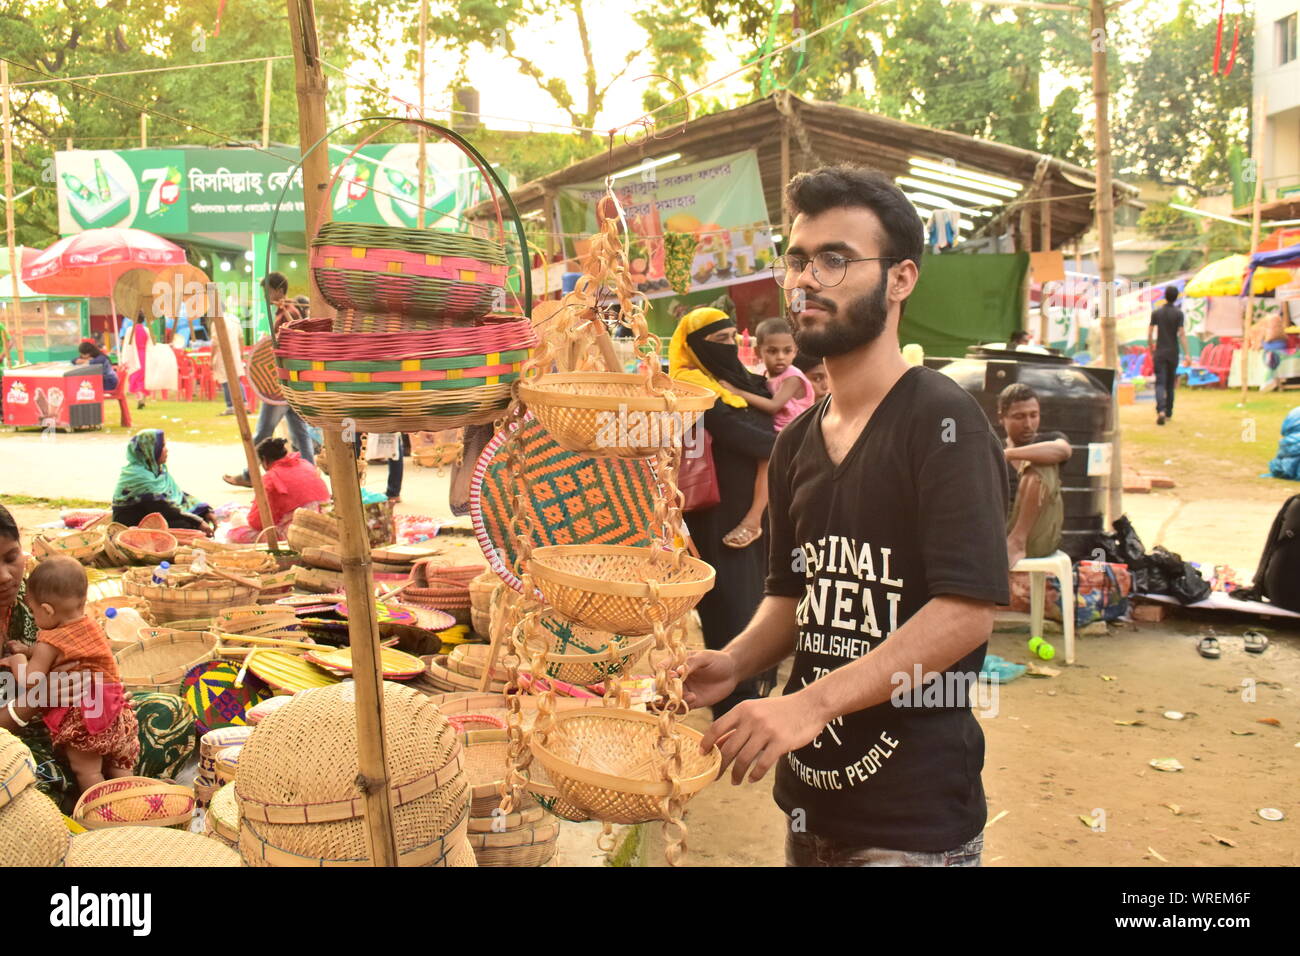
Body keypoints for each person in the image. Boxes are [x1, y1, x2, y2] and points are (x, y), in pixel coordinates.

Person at [685, 165, 1009, 868]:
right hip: (813, 798)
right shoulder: (798, 439)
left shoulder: (944, 423)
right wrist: (733, 661)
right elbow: (794, 596)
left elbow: (966, 612)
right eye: (798, 259)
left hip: (912, 825)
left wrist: (808, 706)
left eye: (836, 259)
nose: (807, 279)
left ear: (901, 279)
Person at [0, 505, 195, 809]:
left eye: (11, 558)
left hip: (78, 719)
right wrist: (31, 704)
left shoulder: (37, 594)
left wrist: (112, 697)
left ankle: (105, 792)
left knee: (169, 710)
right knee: (27, 781)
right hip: (16, 739)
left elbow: (88, 655)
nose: (4, 576)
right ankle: (110, 794)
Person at [669, 306, 778, 715]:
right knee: (730, 604)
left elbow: (765, 426)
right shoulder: (690, 387)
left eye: (733, 338)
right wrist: (778, 440)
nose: (729, 347)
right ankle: (732, 701)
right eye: (718, 341)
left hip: (754, 511)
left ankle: (748, 691)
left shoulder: (738, 381)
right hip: (712, 515)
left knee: (757, 599)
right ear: (694, 346)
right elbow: (752, 438)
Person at [2, 557, 138, 793]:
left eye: (35, 613)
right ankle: (132, 795)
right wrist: (31, 650)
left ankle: (99, 808)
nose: (5, 576)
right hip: (115, 710)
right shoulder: (90, 625)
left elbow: (31, 679)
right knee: (120, 763)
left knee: (87, 770)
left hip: (84, 717)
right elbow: (69, 652)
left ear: (46, 609)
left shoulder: (50, 637)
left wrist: (18, 659)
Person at [720, 317, 815, 549]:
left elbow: (773, 406)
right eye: (772, 351)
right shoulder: (764, 375)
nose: (780, 357)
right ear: (758, 350)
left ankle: (752, 521)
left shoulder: (792, 376)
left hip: (793, 439)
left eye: (787, 350)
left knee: (766, 463)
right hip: (776, 437)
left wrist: (736, 391)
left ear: (795, 351)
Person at [223, 273, 315, 486]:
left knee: (264, 431)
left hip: (280, 385)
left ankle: (249, 475)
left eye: (268, 292)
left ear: (279, 291)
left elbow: (289, 346)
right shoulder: (287, 312)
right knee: (299, 433)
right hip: (290, 384)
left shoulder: (288, 313)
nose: (265, 296)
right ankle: (309, 473)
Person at [998, 383, 1070, 567]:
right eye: (1019, 417)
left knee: (1041, 463)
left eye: (1033, 415)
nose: (1028, 424)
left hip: (1039, 535)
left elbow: (1063, 451)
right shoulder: (991, 448)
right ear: (1002, 418)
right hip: (1000, 536)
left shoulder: (1050, 439)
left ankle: (1018, 540)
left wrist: (1007, 454)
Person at [111, 429, 216, 533]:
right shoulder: (138, 477)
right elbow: (163, 508)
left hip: (156, 516)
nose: (166, 450)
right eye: (162, 446)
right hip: (134, 526)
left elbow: (177, 495)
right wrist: (198, 521)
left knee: (199, 515)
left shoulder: (158, 470)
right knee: (188, 525)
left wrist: (205, 510)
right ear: (149, 450)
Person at [227, 437, 330, 543]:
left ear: (265, 461)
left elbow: (257, 522)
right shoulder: (305, 464)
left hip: (296, 533)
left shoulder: (270, 478)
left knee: (237, 520)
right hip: (325, 523)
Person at [1148, 285, 1189, 425]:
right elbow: (1182, 334)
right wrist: (1187, 354)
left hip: (1160, 352)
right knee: (1170, 383)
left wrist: (1150, 348)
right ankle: (1169, 412)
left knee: (1160, 382)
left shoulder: (1156, 313)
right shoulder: (1179, 314)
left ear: (1164, 296)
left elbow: (1150, 332)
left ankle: (1161, 410)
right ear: (1177, 297)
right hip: (1173, 353)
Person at [209, 312, 247, 415]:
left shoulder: (216, 322)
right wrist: (241, 353)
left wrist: (211, 358)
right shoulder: (235, 320)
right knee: (237, 378)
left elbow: (214, 343)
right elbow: (241, 338)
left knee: (225, 381)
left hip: (223, 354)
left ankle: (231, 406)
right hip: (236, 353)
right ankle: (244, 404)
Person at [120, 313, 153, 409]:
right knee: (143, 378)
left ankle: (139, 398)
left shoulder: (130, 330)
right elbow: (150, 344)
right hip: (144, 355)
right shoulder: (147, 330)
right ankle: (142, 399)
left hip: (134, 355)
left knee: (135, 377)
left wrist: (125, 358)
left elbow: (126, 345)